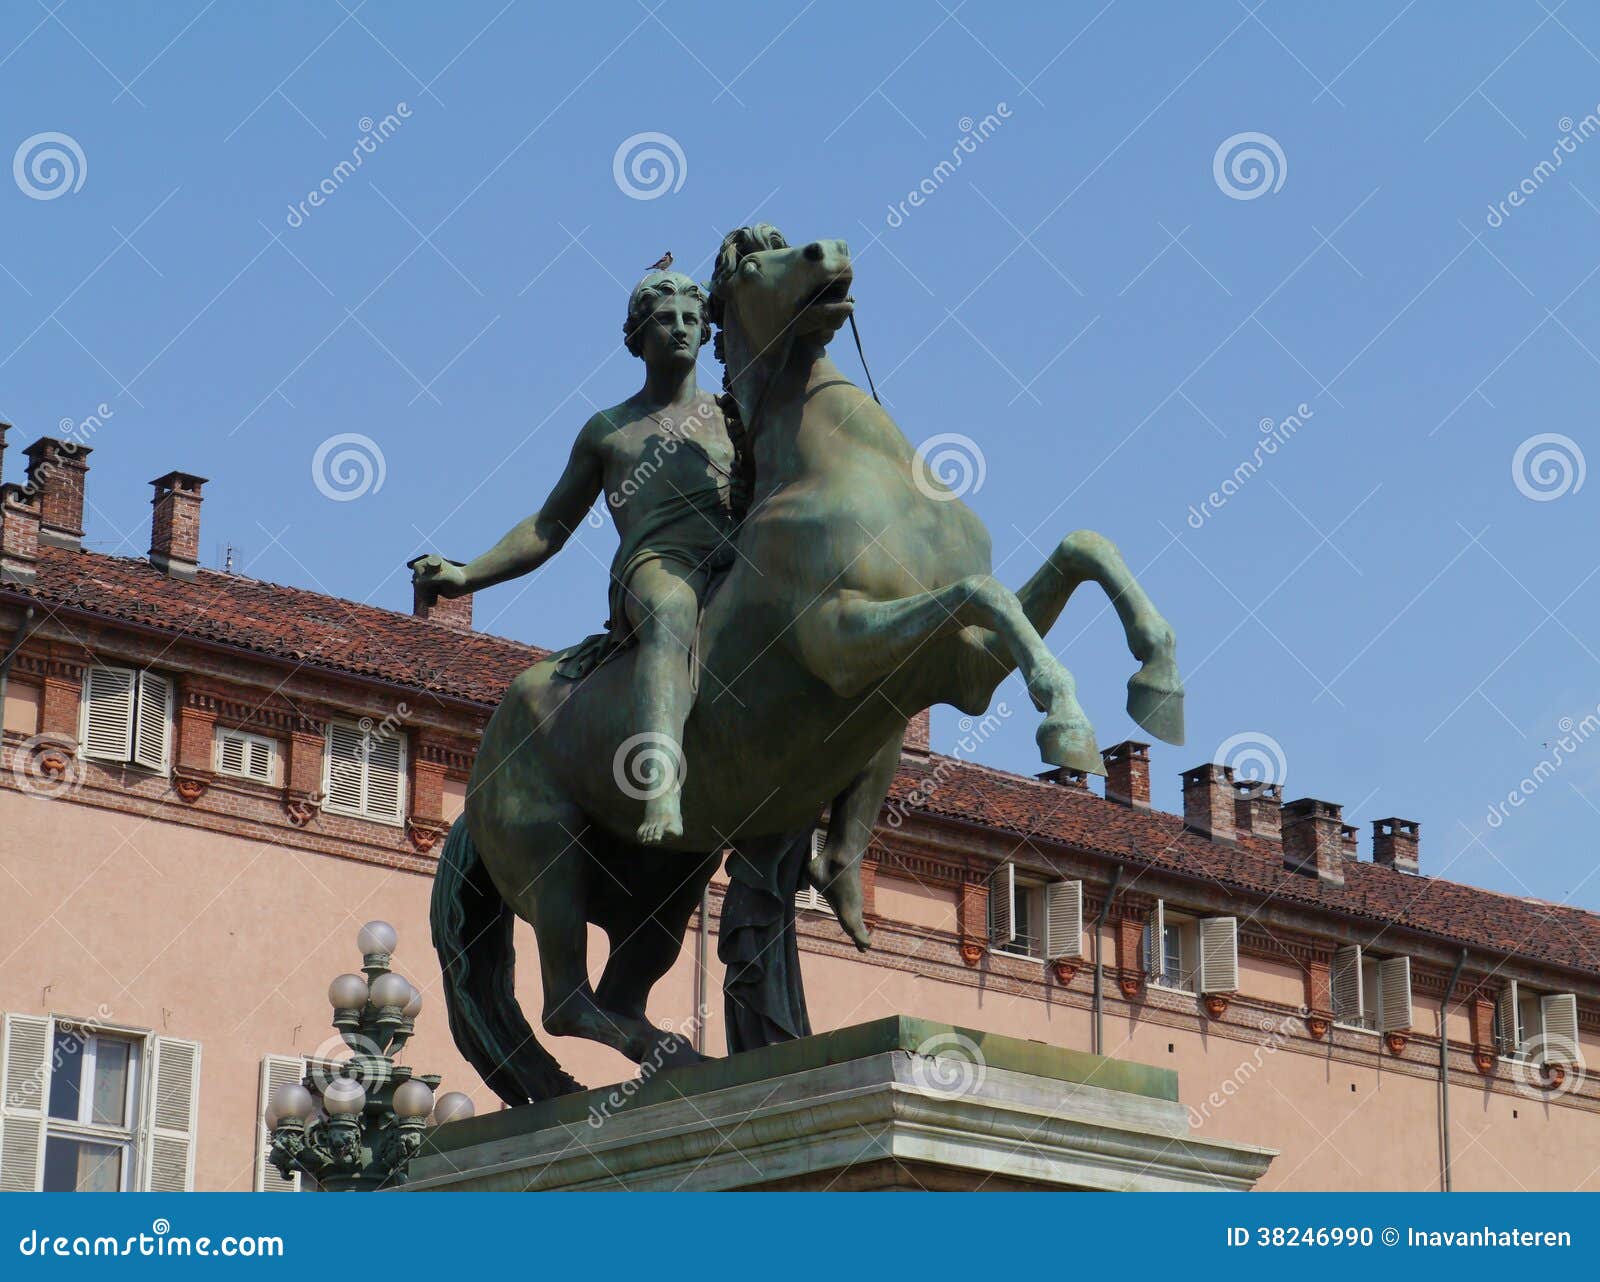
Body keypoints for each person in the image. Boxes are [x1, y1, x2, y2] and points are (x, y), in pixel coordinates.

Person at [412, 270, 742, 844]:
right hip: (659, 565)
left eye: (693, 319)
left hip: (740, 561)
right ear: (637, 336)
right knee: (670, 614)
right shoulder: (610, 431)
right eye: (666, 319)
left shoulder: (735, 416)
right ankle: (660, 783)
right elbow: (548, 526)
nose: (683, 329)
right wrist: (466, 575)